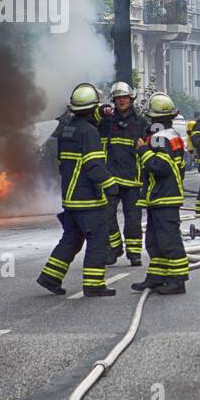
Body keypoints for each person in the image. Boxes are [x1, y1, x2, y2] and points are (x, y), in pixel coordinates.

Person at [37, 83, 118, 297]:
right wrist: (111, 186)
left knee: (71, 239)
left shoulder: (68, 129)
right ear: (92, 108)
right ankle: (93, 285)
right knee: (98, 240)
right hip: (88, 200)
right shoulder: (89, 132)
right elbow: (93, 166)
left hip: (70, 198)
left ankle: (50, 276)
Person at [131, 93, 190, 294]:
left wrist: (142, 151)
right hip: (161, 196)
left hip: (164, 196)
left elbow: (161, 166)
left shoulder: (158, 138)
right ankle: (156, 276)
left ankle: (177, 280)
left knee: (168, 240)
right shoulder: (170, 134)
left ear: (153, 117)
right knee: (155, 240)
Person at [99, 81, 149, 265]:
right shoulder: (106, 123)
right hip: (111, 179)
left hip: (133, 180)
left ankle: (134, 253)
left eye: (125, 97)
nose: (122, 101)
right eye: (118, 98)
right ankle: (115, 248)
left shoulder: (141, 123)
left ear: (131, 98)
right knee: (106, 215)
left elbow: (147, 153)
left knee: (133, 219)